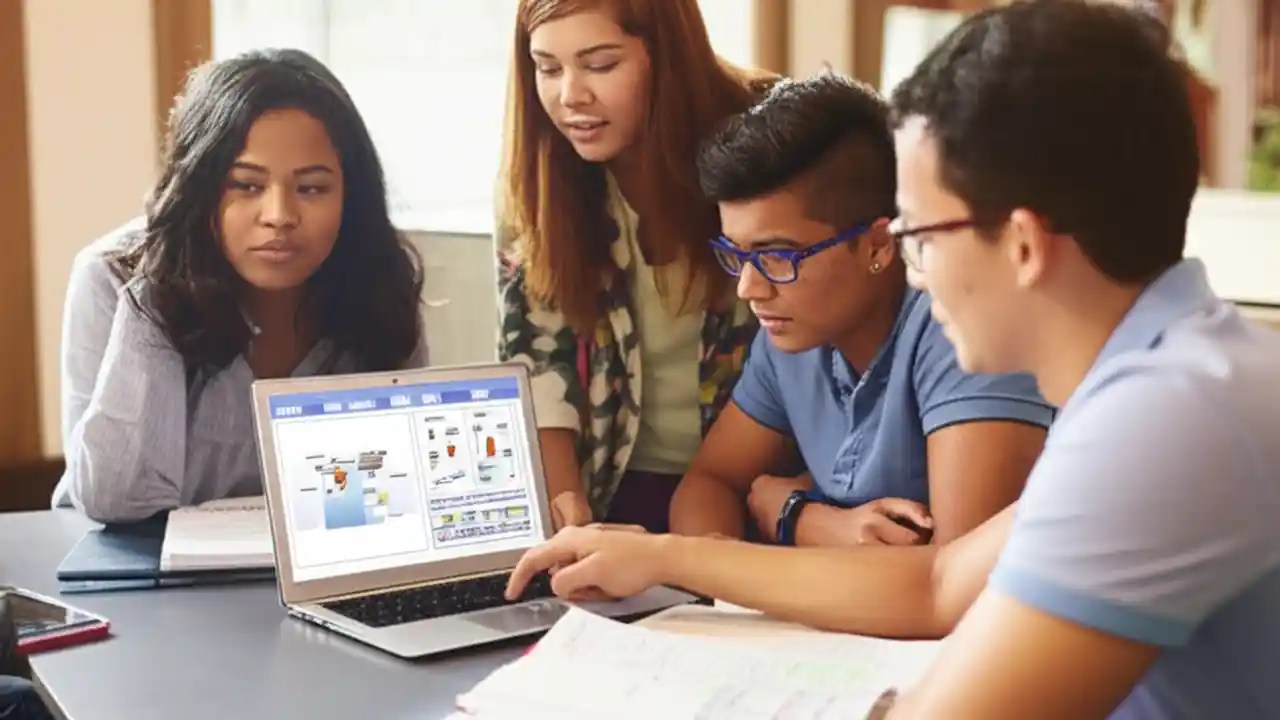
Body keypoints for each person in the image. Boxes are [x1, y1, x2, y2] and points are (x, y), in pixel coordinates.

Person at [506, 2, 1280, 718]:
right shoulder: (1178, 378)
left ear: (1020, 244)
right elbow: (942, 584)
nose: (909, 267)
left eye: (918, 234)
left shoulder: (1167, 422)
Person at [669, 73, 1053, 548]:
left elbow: (952, 580)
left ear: (877, 244)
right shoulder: (791, 333)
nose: (750, 287)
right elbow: (709, 483)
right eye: (737, 254)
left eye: (778, 256)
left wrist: (793, 518)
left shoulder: (960, 330)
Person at [53, 48, 426, 524]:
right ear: (197, 187)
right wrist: (162, 279)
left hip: (319, 572)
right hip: (138, 574)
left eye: (312, 188)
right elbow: (118, 501)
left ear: (350, 196)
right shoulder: (112, 277)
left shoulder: (376, 274)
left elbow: (401, 487)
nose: (279, 216)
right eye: (245, 186)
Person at [497, 0, 774, 533]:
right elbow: (535, 366)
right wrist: (565, 509)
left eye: (601, 65)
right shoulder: (535, 180)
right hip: (608, 489)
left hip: (759, 489)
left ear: (667, 54)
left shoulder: (766, 136)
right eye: (548, 68)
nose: (571, 96)